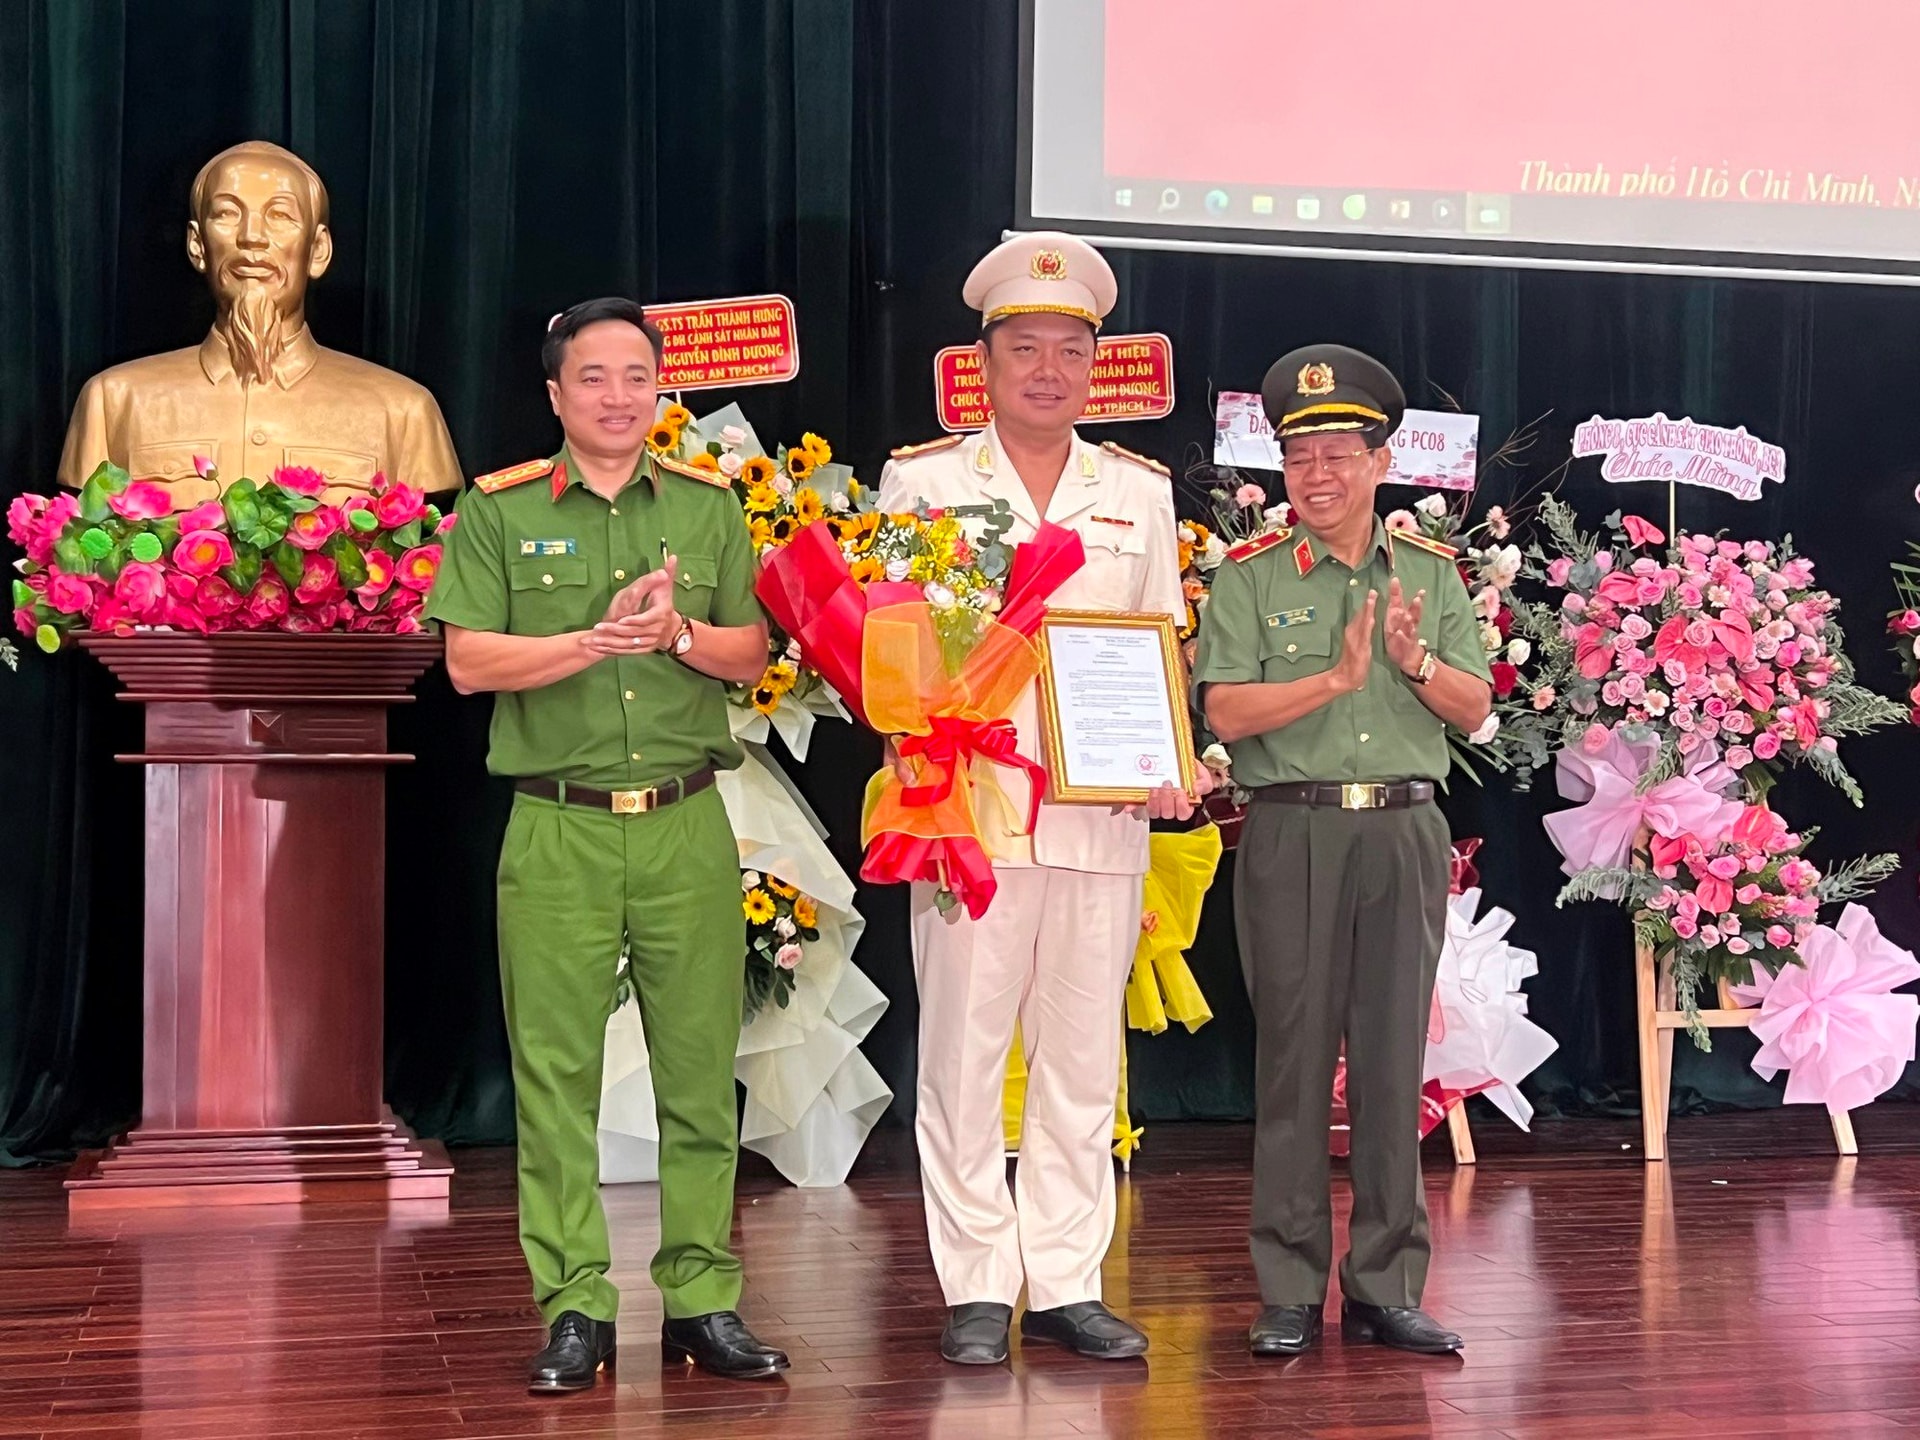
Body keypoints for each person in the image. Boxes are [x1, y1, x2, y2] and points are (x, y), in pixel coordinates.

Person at [422, 297, 788, 1389]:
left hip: (684, 823)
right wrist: (592, 640)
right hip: (558, 825)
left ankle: (702, 1297)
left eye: (638, 375)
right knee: (555, 1078)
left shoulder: (707, 508)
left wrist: (674, 632)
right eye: (594, 377)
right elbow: (470, 664)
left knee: (696, 1074)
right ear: (555, 394)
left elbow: (750, 652)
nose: (619, 396)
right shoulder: (498, 511)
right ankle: (575, 1304)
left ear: (659, 389)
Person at [876, 232, 1208, 1366]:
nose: (1050, 370)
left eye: (1072, 350)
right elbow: (894, 658)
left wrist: (1171, 758)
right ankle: (975, 1281)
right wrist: (925, 731)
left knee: (1081, 1058)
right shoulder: (924, 483)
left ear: (1095, 366)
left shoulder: (1137, 494)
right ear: (984, 362)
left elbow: (1157, 647)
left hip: (1102, 818)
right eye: (1027, 348)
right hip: (966, 815)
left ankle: (1066, 1278)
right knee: (963, 1055)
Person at [1191, 344, 1492, 1359]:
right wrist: (1326, 683)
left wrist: (1414, 663)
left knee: (1392, 1061)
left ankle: (1386, 1284)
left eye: (1337, 453)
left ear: (1380, 460)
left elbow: (1477, 705)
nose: (1316, 475)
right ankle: (1287, 1286)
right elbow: (1225, 708)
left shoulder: (1433, 578)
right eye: (1299, 456)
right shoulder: (1250, 576)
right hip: (1293, 830)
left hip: (1404, 832)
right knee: (1291, 1062)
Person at [58, 140, 461, 505]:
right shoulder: (113, 402)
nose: (252, 237)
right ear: (197, 245)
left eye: (281, 215)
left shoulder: (404, 412)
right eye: (228, 213)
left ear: (317, 250)